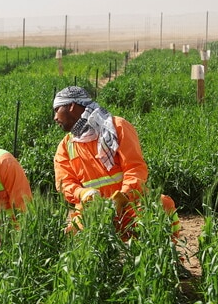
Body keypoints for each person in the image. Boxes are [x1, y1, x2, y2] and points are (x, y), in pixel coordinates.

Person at [52, 85, 180, 239]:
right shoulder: (66, 146)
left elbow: (135, 168)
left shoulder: (117, 127)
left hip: (129, 206)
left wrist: (122, 198)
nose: (55, 117)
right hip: (93, 212)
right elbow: (64, 183)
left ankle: (168, 260)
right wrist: (82, 193)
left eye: (57, 109)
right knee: (69, 237)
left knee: (161, 205)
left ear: (71, 106)